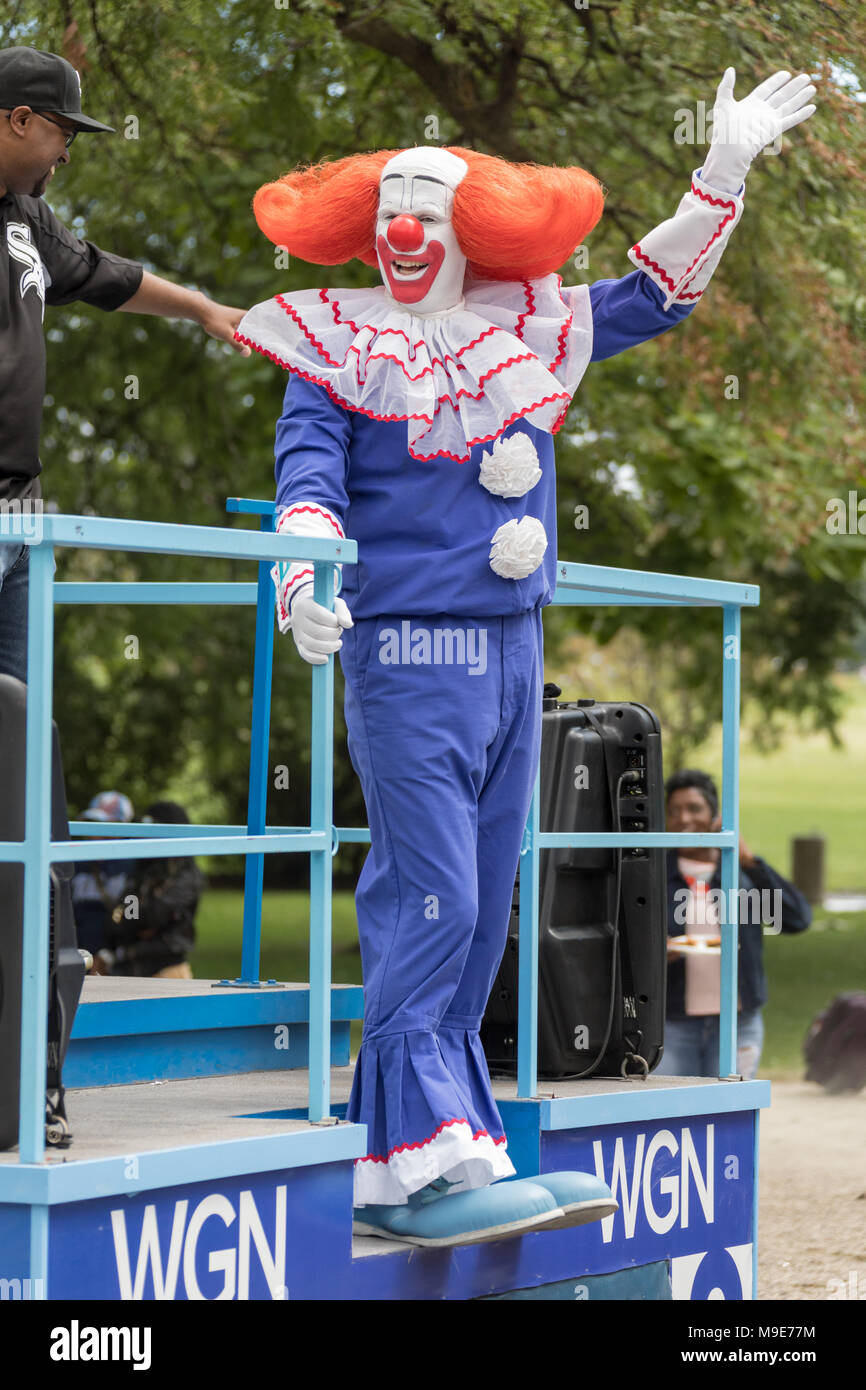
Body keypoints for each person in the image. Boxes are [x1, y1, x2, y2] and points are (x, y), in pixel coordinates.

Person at [235, 68, 816, 1244]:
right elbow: (305, 482)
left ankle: (464, 1138)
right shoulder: (334, 349)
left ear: (470, 232)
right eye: (388, 205)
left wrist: (723, 171)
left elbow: (653, 294)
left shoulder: (527, 328)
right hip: (407, 651)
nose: (403, 225)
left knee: (487, 909)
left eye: (427, 207)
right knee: (431, 895)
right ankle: (400, 1166)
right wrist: (304, 584)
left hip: (510, 653)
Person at [0, 46, 251, 683]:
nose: (66, 154)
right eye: (63, 132)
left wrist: (202, 310)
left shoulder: (27, 219)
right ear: (21, 120)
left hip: (19, 517)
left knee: (19, 729)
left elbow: (102, 273)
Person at [655, 768, 811, 1079]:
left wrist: (747, 858)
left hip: (737, 1023)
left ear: (715, 816)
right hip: (673, 1022)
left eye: (694, 808)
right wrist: (657, 951)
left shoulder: (739, 877)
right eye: (674, 811)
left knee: (729, 1114)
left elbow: (796, 918)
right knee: (676, 1110)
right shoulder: (654, 876)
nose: (684, 818)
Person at [93, 800, 203, 979]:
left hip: (167, 970)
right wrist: (134, 921)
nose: (147, 836)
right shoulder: (143, 871)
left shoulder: (186, 875)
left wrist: (135, 916)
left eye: (154, 828)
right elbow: (125, 919)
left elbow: (154, 914)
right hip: (131, 970)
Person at [70, 789, 135, 955]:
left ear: (121, 827)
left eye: (103, 824)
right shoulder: (76, 861)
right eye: (92, 823)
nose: (94, 833)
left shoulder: (133, 867)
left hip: (116, 958)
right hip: (78, 953)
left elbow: (133, 917)